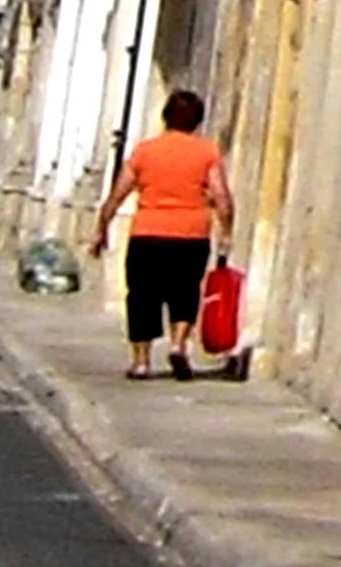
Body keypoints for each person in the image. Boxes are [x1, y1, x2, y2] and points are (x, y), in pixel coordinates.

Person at [88, 88, 233, 381]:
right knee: (185, 291)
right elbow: (222, 198)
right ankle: (178, 344)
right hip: (192, 234)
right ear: (197, 120)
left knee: (142, 295)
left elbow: (117, 194)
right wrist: (226, 232)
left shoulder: (145, 150)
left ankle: (141, 362)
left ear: (165, 116)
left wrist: (102, 229)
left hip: (148, 233)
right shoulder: (206, 152)